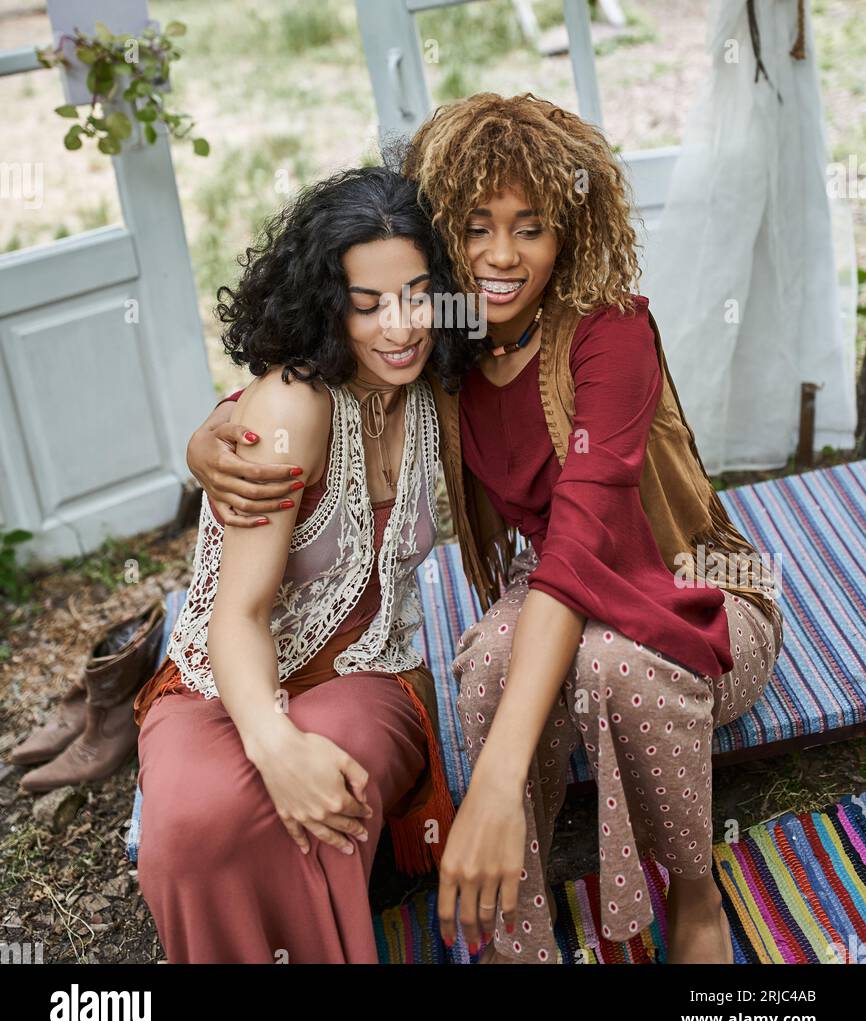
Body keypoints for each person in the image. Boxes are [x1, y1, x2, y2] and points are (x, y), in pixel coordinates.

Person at [187, 94, 784, 966]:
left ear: (569, 227)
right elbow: (328, 364)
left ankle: (694, 889)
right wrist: (210, 436)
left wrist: (495, 785)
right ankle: (519, 934)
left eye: (530, 227)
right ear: (441, 233)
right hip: (560, 599)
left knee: (613, 666)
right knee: (485, 664)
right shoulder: (445, 339)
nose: (502, 256)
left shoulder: (610, 331)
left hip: (694, 593)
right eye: (474, 228)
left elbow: (581, 545)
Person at [134, 166, 467, 964]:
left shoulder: (441, 390)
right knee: (185, 829)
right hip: (224, 680)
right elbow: (238, 616)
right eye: (370, 305)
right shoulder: (295, 405)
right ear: (328, 305)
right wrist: (273, 745)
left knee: (332, 784)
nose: (401, 326)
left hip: (366, 675)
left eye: (418, 294)